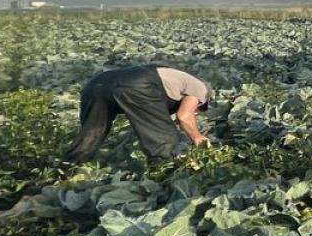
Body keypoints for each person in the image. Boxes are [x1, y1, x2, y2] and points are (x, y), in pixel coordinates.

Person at [65, 65, 213, 165]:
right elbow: (184, 116)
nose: (196, 111)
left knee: (92, 132)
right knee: (163, 140)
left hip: (96, 83)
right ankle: (164, 174)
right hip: (137, 84)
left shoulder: (176, 77)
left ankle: (68, 169)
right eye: (198, 109)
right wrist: (197, 138)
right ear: (204, 100)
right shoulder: (200, 88)